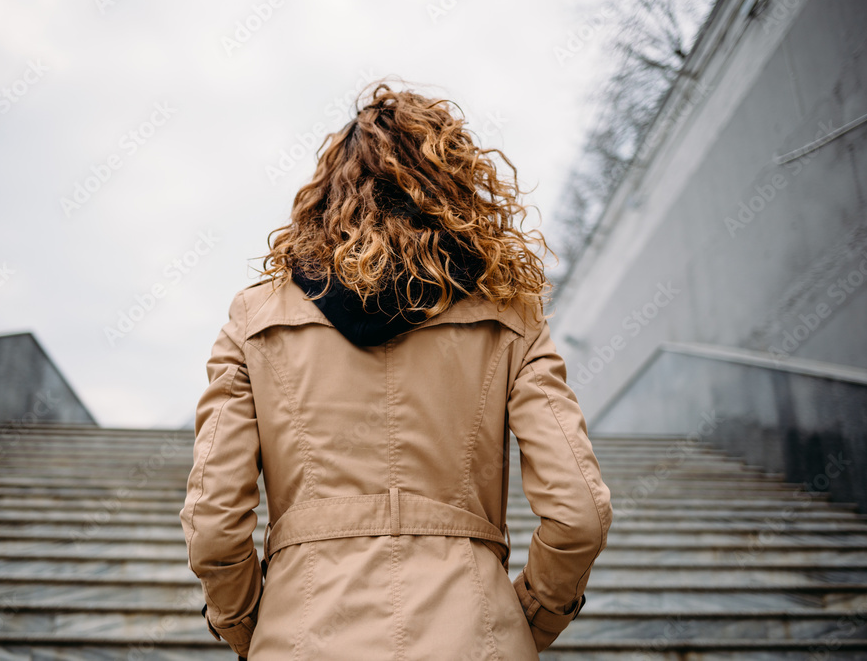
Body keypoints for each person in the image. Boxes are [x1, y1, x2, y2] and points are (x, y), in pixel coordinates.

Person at [179, 81, 612, 660]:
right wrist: (524, 619)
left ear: (327, 195)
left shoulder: (254, 318)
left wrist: (253, 628)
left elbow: (213, 526)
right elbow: (580, 514)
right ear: (456, 189)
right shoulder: (511, 317)